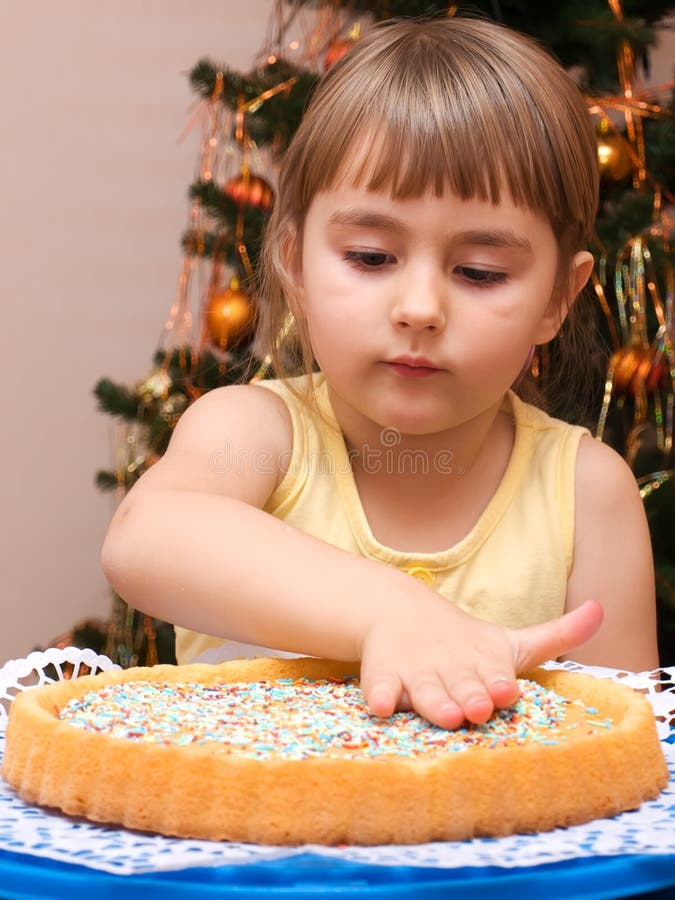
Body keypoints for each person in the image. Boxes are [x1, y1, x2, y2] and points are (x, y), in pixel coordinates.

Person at [101, 16, 658, 730]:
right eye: (370, 257)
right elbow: (146, 538)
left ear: (556, 298)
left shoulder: (586, 493)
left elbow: (625, 750)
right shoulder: (254, 433)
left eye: (479, 272)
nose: (419, 308)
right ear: (296, 265)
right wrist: (397, 611)